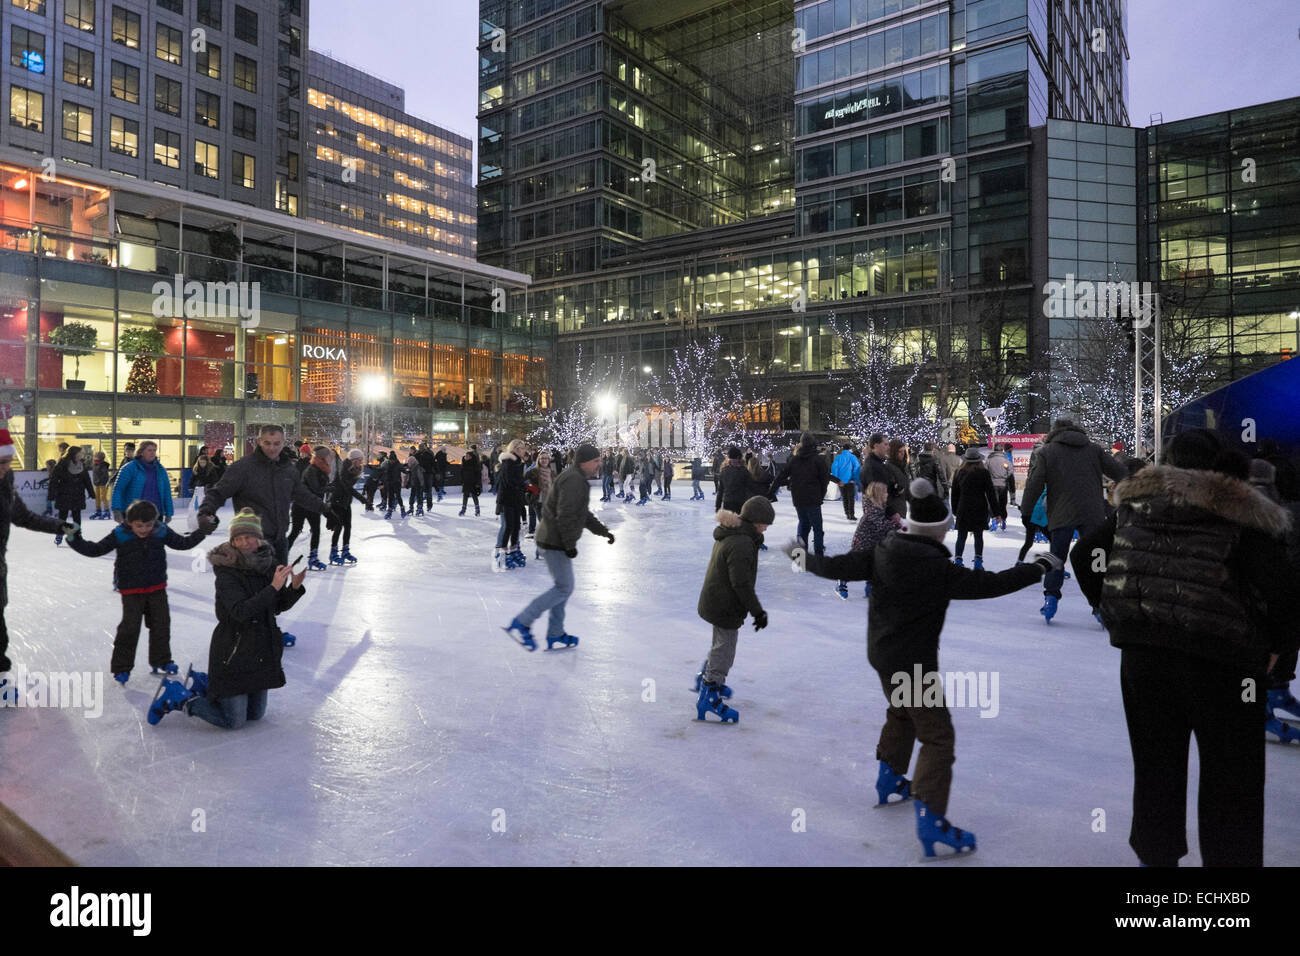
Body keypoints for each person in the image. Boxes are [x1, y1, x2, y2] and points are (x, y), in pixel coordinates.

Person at [787, 478, 1060, 857]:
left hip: (882, 655)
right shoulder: (938, 568)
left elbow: (838, 566)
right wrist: (1038, 568)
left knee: (901, 712)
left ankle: (889, 777)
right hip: (913, 666)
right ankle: (931, 819)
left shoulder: (884, 550)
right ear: (939, 532)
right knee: (937, 736)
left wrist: (801, 557)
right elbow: (992, 584)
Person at [1072, 429, 1298, 866]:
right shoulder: (1241, 512)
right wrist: (1279, 647)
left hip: (1144, 659)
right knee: (1232, 776)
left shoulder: (1134, 507)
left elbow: (1085, 556)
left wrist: (1114, 609)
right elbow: (1284, 590)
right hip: (1224, 663)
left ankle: (1156, 860)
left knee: (1156, 767)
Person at [147, 508, 307, 729]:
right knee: (233, 721)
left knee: (256, 715)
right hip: (234, 650)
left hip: (260, 649)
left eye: (249, 537)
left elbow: (276, 606)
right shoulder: (227, 572)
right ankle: (179, 698)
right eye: (238, 539)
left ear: (259, 538)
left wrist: (294, 587)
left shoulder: (267, 564)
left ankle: (205, 683)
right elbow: (240, 612)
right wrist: (273, 587)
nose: (244, 543)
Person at [68, 499, 216, 683]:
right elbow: (96, 549)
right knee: (129, 628)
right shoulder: (121, 534)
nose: (145, 529)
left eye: (148, 524)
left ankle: (161, 661)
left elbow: (182, 543)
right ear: (129, 522)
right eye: (139, 526)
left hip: (157, 588)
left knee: (161, 625)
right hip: (131, 591)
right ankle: (122, 668)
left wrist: (204, 530)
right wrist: (74, 538)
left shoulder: (160, 530)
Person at [1019, 418, 1128, 622]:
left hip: (1062, 512)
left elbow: (1034, 483)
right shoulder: (1094, 449)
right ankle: (1100, 603)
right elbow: (1120, 472)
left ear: (1054, 432)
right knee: (1097, 556)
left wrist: (1026, 511)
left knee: (1057, 556)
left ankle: (1051, 597)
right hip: (1092, 511)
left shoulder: (1046, 452)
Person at [506, 444, 613, 650]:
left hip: (554, 539)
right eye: (596, 460)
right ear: (585, 462)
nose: (600, 463)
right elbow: (566, 515)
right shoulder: (574, 480)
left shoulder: (575, 477)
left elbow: (582, 514)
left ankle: (555, 632)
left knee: (562, 588)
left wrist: (603, 531)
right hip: (554, 541)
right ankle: (523, 621)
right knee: (564, 587)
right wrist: (569, 544)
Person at [0, 424, 74, 702]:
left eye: (8, 462)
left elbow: (23, 517)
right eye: (1, 463)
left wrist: (59, 526)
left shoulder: (5, 483)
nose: (6, 468)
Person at [196, 424, 331, 571]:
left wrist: (326, 510)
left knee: (278, 590)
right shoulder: (243, 468)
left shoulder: (287, 469)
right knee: (258, 591)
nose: (272, 448)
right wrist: (206, 511)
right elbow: (218, 492)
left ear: (283, 442)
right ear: (259, 441)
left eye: (276, 443)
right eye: (267, 443)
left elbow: (302, 495)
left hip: (280, 542)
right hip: (252, 545)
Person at [691, 496, 775, 723]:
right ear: (755, 520)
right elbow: (741, 583)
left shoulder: (737, 533)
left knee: (720, 644)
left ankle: (705, 678)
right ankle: (709, 693)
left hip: (717, 598)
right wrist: (757, 611)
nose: (766, 528)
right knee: (725, 650)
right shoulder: (742, 543)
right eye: (765, 523)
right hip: (724, 603)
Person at [833, 481, 901, 599]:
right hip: (863, 543)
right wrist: (897, 526)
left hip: (874, 543)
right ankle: (842, 580)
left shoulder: (880, 507)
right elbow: (882, 525)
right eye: (884, 492)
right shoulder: (873, 509)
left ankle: (870, 587)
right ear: (878, 494)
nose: (887, 494)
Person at [769, 432, 831, 557]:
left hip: (799, 498)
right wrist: (821, 495)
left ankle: (801, 556)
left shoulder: (794, 460)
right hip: (813, 498)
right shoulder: (818, 460)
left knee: (803, 525)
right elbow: (825, 480)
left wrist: (770, 492)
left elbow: (781, 476)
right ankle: (819, 555)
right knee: (817, 528)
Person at [949, 447, 999, 569]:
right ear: (979, 460)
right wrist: (996, 512)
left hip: (963, 506)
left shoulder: (959, 473)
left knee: (961, 536)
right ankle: (978, 560)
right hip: (979, 507)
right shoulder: (984, 473)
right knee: (978, 535)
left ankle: (958, 560)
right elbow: (991, 493)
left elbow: (954, 494)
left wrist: (955, 510)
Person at [285, 446, 333, 569]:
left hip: (313, 505)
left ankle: (313, 558)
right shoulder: (312, 469)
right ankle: (282, 556)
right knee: (295, 531)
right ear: (322, 457)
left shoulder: (322, 468)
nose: (330, 457)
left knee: (316, 530)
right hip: (302, 505)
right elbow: (315, 488)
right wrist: (331, 488)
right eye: (328, 455)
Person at [111, 441, 174, 526]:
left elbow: (166, 492)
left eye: (154, 450)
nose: (152, 453)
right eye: (149, 450)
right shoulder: (129, 468)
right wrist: (116, 509)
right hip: (134, 514)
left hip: (155, 514)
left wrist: (169, 512)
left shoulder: (160, 470)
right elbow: (118, 489)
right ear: (141, 452)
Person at [50, 445, 94, 546]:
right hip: (64, 493)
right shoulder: (62, 464)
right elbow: (54, 480)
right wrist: (52, 493)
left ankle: (77, 534)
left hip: (77, 493)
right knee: (63, 515)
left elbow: (86, 479)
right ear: (74, 454)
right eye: (80, 453)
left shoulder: (81, 465)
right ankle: (60, 533)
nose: (82, 455)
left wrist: (91, 492)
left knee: (76, 515)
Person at [494, 439, 528, 570]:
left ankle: (513, 551)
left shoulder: (519, 462)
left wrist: (523, 487)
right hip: (507, 499)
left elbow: (518, 481)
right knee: (508, 526)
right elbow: (509, 481)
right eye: (519, 448)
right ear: (513, 449)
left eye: (523, 447)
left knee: (516, 527)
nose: (522, 450)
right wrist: (523, 486)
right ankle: (502, 554)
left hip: (516, 498)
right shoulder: (509, 462)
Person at [328, 450, 365, 565]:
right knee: (338, 527)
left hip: (345, 502)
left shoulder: (355, 469)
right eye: (359, 459)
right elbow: (348, 487)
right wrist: (363, 499)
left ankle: (345, 551)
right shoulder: (344, 469)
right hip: (337, 501)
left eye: (361, 460)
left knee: (348, 526)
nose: (361, 462)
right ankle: (333, 553)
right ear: (353, 459)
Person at [984, 443, 1014, 530]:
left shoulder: (989, 460)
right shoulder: (1006, 460)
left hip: (992, 485)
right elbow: (1010, 473)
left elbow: (985, 472)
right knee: (1002, 503)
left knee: (993, 503)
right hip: (1003, 485)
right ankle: (1003, 520)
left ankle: (994, 520)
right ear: (1002, 450)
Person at [884, 440, 911, 520]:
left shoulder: (902, 468)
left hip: (901, 507)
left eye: (903, 451)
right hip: (893, 510)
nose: (902, 454)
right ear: (893, 452)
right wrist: (896, 489)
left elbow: (906, 488)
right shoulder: (888, 467)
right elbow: (888, 488)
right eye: (900, 451)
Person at [405, 446, 428, 517]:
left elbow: (420, 477)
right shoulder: (411, 468)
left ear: (412, 462)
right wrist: (408, 483)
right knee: (412, 497)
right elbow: (410, 477)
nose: (408, 464)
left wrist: (422, 485)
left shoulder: (417, 468)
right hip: (414, 484)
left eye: (409, 462)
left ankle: (419, 508)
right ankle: (411, 508)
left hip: (418, 485)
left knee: (419, 496)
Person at [459, 446, 482, 516]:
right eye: (466, 456)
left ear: (471, 457)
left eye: (468, 456)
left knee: (474, 496)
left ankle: (477, 509)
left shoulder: (475, 464)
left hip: (473, 482)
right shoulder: (464, 463)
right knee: (465, 495)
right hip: (466, 482)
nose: (466, 457)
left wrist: (478, 483)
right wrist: (462, 480)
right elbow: (461, 473)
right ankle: (463, 509)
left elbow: (478, 474)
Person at [90, 451, 112, 519]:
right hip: (97, 484)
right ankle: (98, 510)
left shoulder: (103, 465)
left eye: (96, 457)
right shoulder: (95, 464)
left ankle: (106, 510)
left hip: (102, 484)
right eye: (95, 456)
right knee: (97, 497)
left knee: (103, 497)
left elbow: (105, 476)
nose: (95, 458)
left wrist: (102, 481)